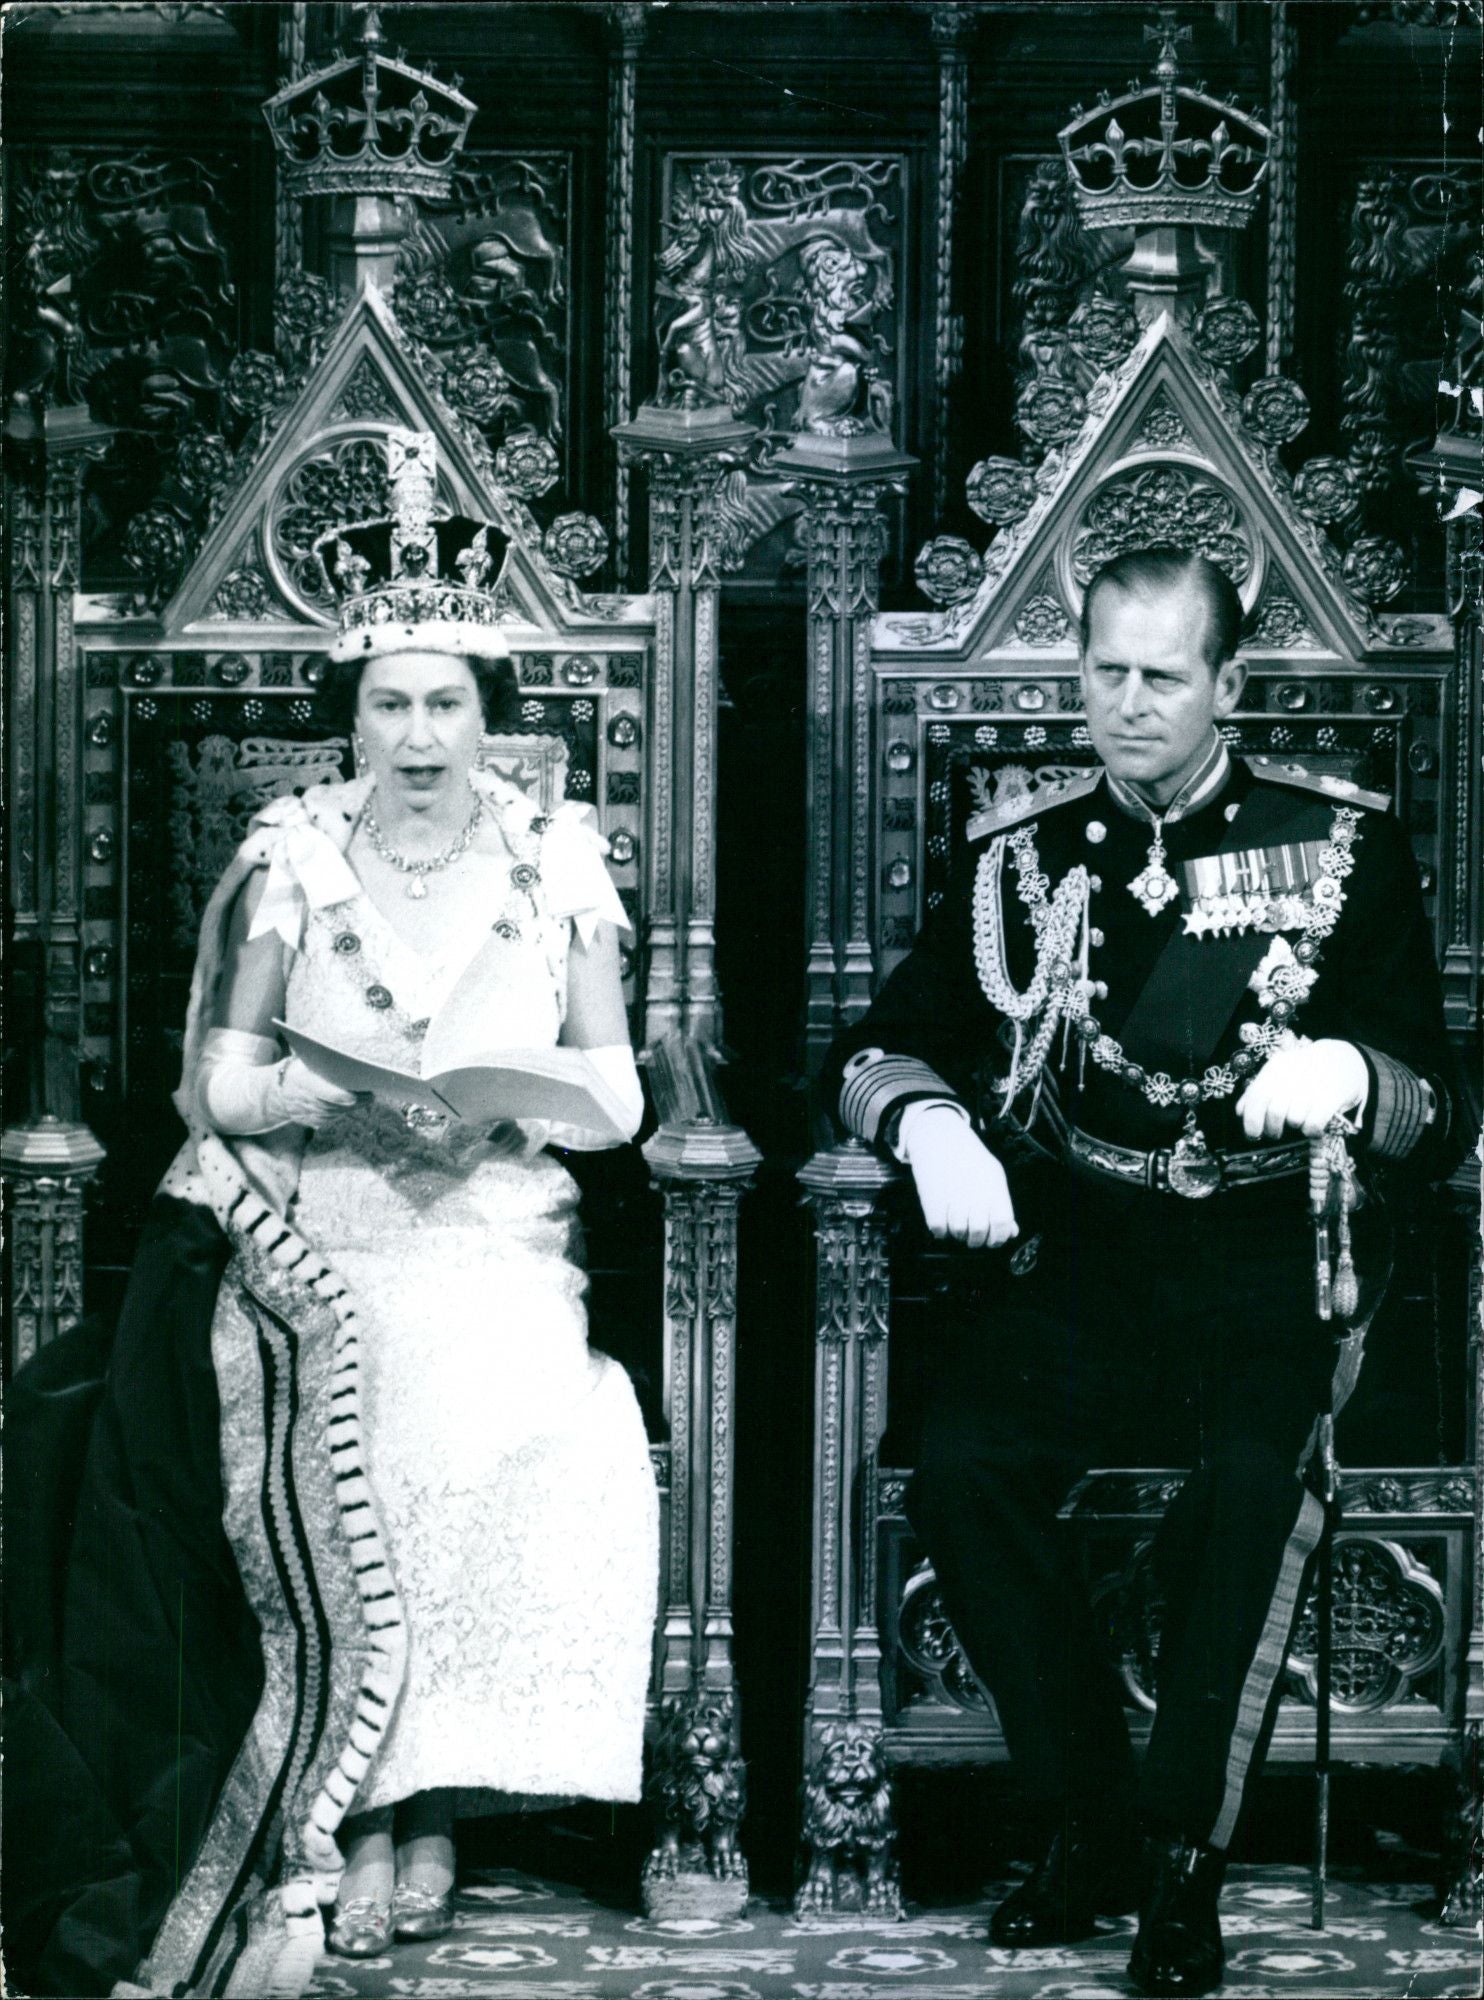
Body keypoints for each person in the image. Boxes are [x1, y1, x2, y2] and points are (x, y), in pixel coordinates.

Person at [8, 432, 657, 1998]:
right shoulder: (294, 858)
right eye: (390, 702)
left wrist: (500, 1099)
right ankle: (347, 1807)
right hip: (324, 1222)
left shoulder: (557, 863)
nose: (420, 733)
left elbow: (621, 1098)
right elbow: (220, 1085)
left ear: (491, 717)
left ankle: (426, 1810)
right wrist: (326, 1100)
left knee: (499, 1413)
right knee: (349, 1411)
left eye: (448, 702)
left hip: (498, 1222)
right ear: (351, 715)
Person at [826, 547, 1469, 1998]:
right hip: (1092, 1261)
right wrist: (931, 1124)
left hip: (1267, 1267)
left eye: (1160, 676)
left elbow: (1448, 1109)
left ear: (1227, 685)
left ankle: (1184, 1859)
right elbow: (869, 1048)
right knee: (966, 1463)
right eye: (1103, 673)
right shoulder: (1024, 861)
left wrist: (1352, 1074)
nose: (1125, 704)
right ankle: (1090, 1815)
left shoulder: (1339, 850)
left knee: (1254, 1476)